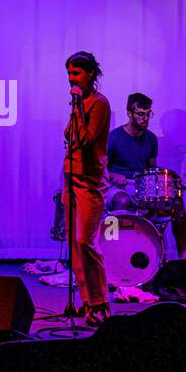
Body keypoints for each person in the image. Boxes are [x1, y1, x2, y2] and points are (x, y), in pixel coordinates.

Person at [106, 92, 186, 258]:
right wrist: (115, 176)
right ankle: (115, 254)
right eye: (141, 114)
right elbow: (102, 170)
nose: (145, 118)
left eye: (148, 114)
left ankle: (183, 256)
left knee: (177, 204)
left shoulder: (151, 139)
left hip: (140, 187)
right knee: (123, 201)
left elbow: (151, 168)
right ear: (129, 113)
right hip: (117, 186)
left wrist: (166, 183)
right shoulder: (114, 137)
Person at [62, 51, 111, 324]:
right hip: (70, 176)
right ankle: (85, 301)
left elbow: (86, 140)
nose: (72, 78)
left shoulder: (99, 104)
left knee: (86, 241)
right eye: (69, 73)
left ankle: (101, 302)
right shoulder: (77, 105)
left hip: (90, 181)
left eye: (77, 73)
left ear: (90, 73)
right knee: (73, 243)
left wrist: (79, 107)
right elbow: (69, 135)